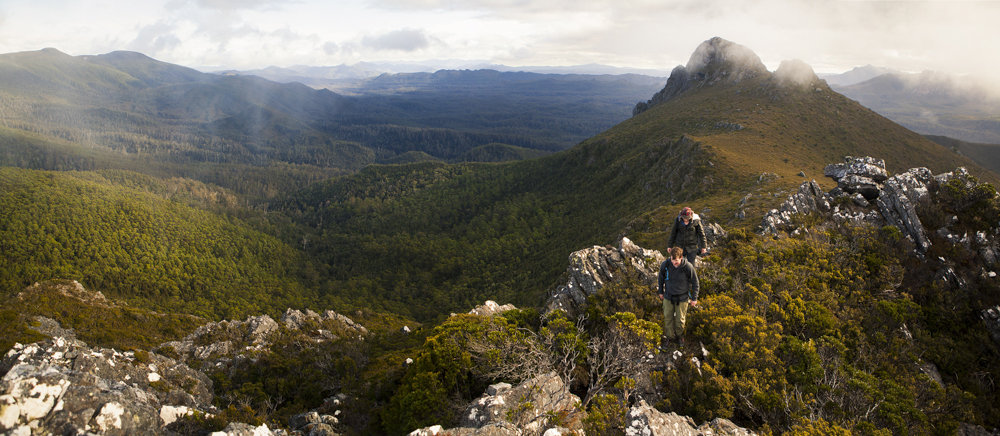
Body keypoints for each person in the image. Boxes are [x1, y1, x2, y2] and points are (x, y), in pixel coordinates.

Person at [658, 247, 699, 348]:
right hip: (668, 296)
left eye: (676, 261)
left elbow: (695, 282)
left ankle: (680, 336)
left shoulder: (688, 267)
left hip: (682, 297)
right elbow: (660, 279)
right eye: (672, 260)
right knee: (668, 318)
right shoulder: (665, 264)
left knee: (680, 320)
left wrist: (694, 298)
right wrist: (661, 292)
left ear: (681, 257)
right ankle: (669, 337)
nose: (674, 263)